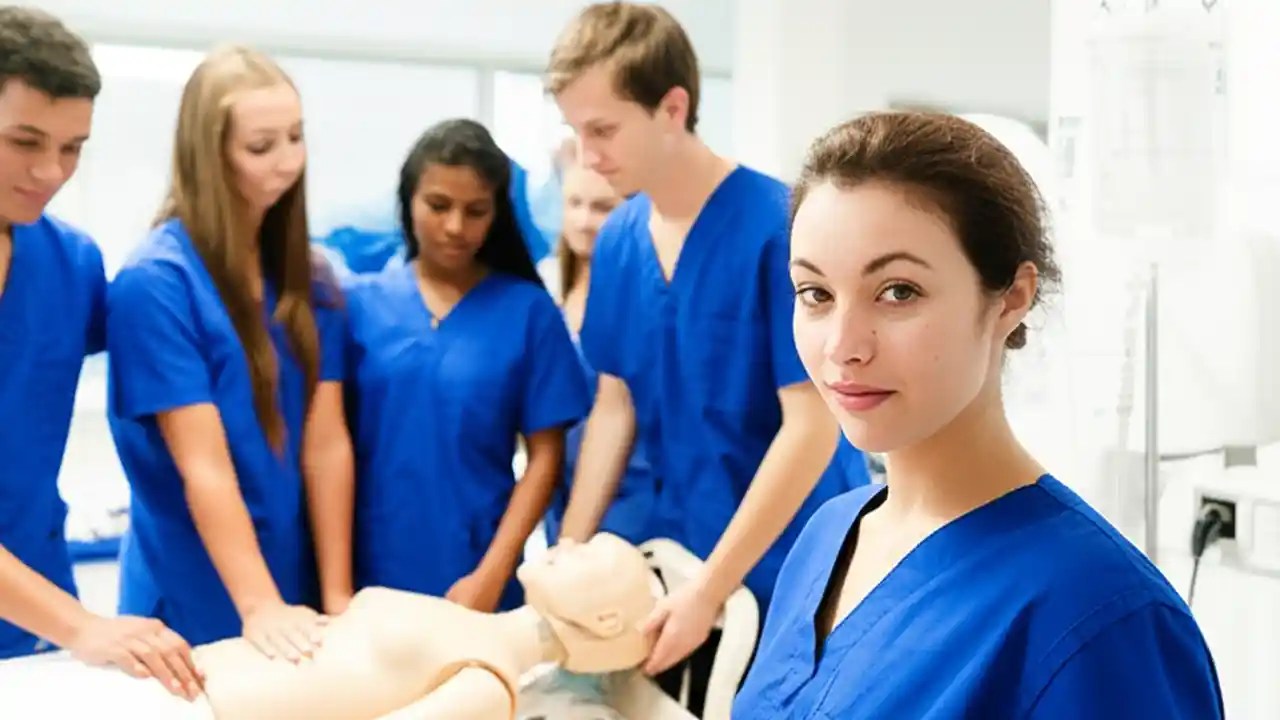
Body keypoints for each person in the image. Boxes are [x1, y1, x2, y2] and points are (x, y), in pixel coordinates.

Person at [732, 112, 1225, 717]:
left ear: (1011, 299)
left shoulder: (1100, 619)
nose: (843, 345)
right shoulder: (826, 537)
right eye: (816, 294)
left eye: (898, 292)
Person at [545, 1, 869, 699]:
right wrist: (567, 555)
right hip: (678, 555)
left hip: (790, 559)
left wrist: (710, 591)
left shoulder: (776, 227)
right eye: (575, 132)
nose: (588, 155)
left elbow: (812, 426)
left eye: (603, 129)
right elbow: (614, 407)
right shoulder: (623, 240)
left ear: (672, 107)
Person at [106, 46, 355, 659]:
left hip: (289, 589)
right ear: (209, 154)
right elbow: (204, 466)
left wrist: (339, 596)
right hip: (192, 603)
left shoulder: (311, 280)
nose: (287, 162)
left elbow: (325, 444)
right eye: (261, 146)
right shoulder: (157, 284)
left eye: (295, 138)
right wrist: (258, 604)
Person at [0, 4, 200, 693]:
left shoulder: (69, 264)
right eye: (24, 141)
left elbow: (169, 345)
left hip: (34, 614)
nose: (51, 170)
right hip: (56, 618)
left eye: (73, 146)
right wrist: (83, 626)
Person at [0, 533, 659, 720]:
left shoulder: (490, 683)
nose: (571, 540)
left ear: (604, 618)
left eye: (596, 551)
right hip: (165, 678)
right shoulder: (469, 625)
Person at [344, 118, 590, 614]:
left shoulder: (528, 313)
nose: (455, 227)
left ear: (497, 214)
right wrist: (332, 586)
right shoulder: (356, 306)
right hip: (363, 577)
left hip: (477, 577)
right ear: (408, 200)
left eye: (475, 211)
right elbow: (324, 446)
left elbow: (545, 459)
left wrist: (492, 574)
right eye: (438, 206)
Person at [539, 148, 653, 546]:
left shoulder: (638, 297)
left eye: (602, 207)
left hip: (627, 504)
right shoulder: (553, 291)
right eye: (574, 204)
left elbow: (616, 413)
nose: (584, 221)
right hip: (562, 497)